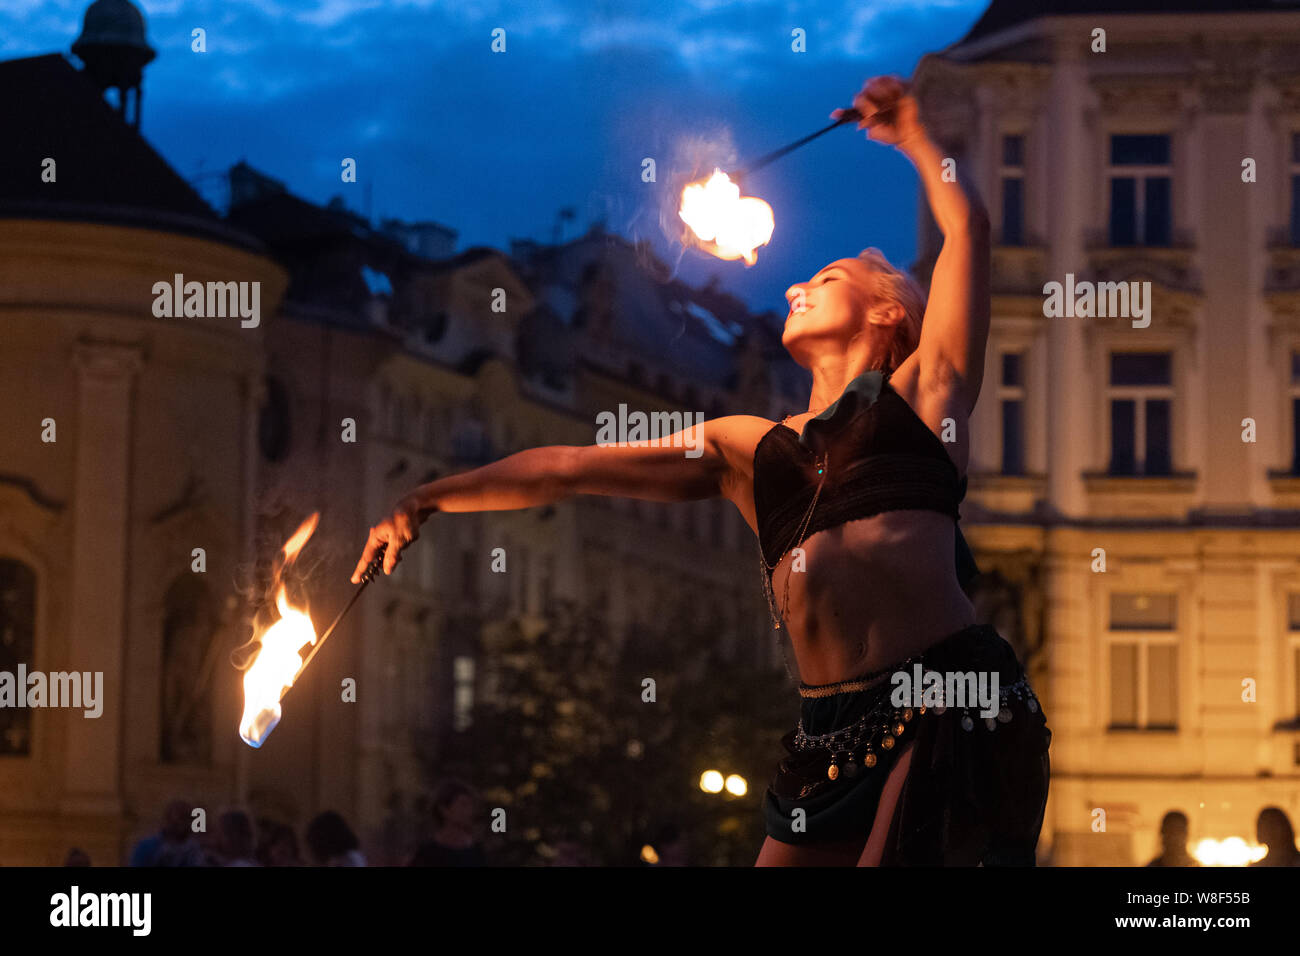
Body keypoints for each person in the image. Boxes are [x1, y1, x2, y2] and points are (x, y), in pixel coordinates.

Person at [353, 75, 1050, 867]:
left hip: (948, 700)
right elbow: (569, 467)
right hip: (825, 731)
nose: (795, 286)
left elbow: (971, 232)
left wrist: (917, 138)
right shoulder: (747, 449)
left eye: (824, 280)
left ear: (890, 313)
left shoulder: (925, 395)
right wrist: (427, 498)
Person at [409, 779, 486, 866]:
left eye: (470, 805)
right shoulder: (428, 853)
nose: (469, 811)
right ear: (444, 810)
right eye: (463, 805)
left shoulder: (476, 851)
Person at [128, 798, 206, 867]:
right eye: (180, 818)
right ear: (167, 820)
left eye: (188, 818)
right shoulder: (146, 847)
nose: (184, 824)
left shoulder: (196, 850)